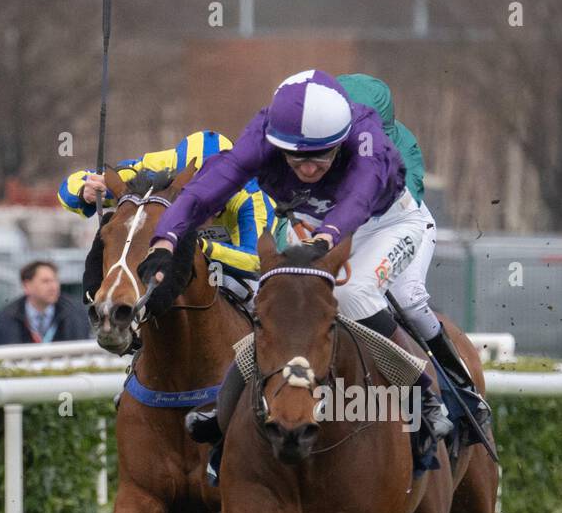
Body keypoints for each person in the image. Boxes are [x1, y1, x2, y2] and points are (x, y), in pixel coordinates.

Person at [142, 70, 455, 442]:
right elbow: (204, 192)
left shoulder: (367, 137)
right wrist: (164, 241)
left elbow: (356, 200)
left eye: (320, 156)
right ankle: (227, 407)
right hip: (314, 221)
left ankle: (425, 394)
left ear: (341, 139)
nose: (307, 168)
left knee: (352, 293)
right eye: (296, 157)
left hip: (387, 222)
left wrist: (326, 238)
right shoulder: (263, 134)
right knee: (273, 300)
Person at [334, 73, 488, 426]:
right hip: (346, 233)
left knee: (408, 298)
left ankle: (462, 389)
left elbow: (409, 191)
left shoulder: (402, 144)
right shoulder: (319, 140)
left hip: (402, 224)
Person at [59, 129, 272, 309]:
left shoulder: (252, 193)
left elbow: (256, 262)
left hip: (235, 273)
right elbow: (68, 187)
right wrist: (84, 191)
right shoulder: (157, 167)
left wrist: (196, 246)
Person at [0, 260, 90, 346]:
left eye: (55, 280)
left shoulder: (75, 315)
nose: (53, 287)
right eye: (45, 281)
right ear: (27, 286)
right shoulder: (8, 318)